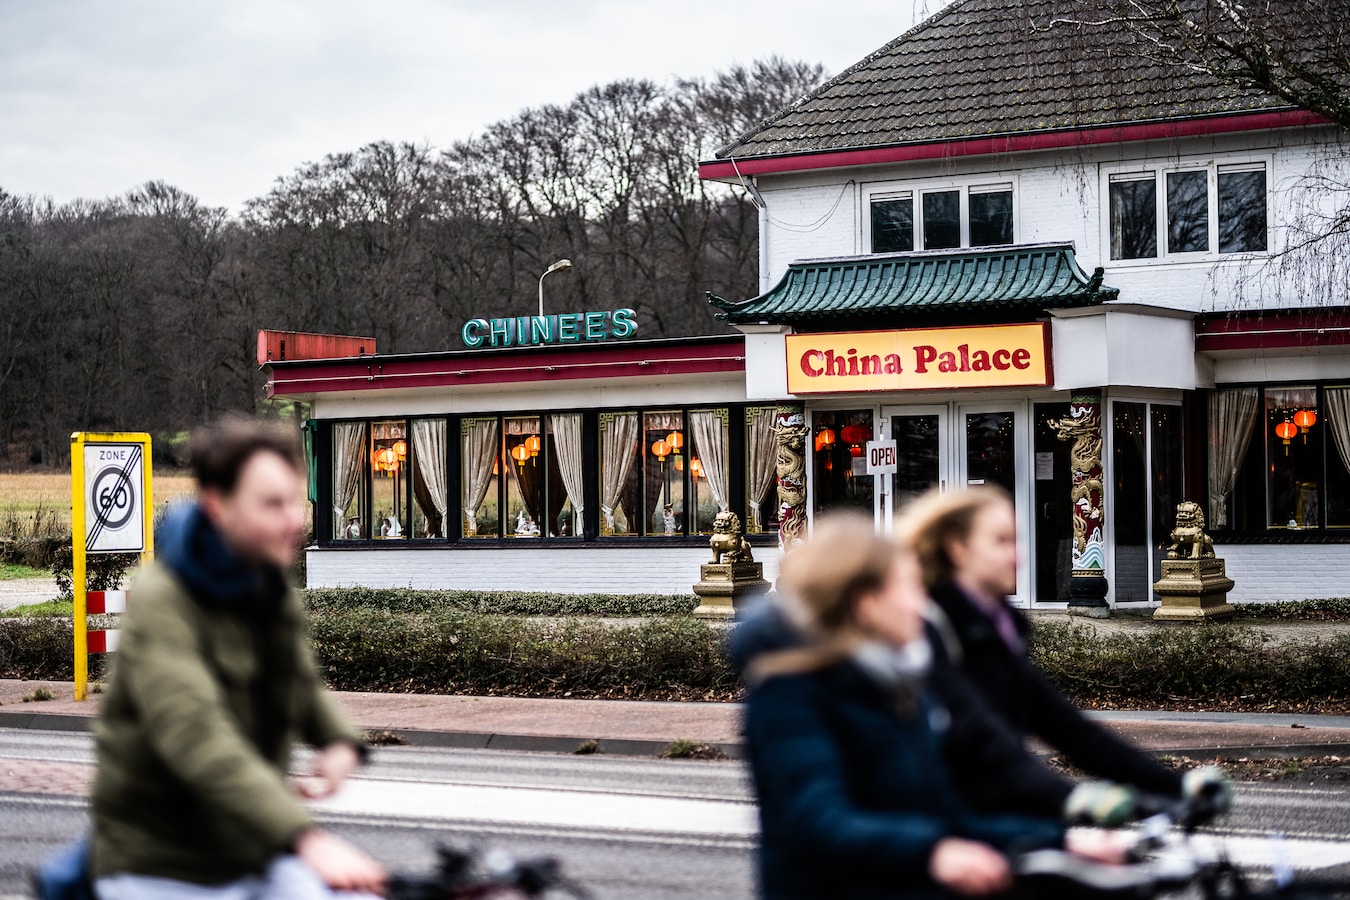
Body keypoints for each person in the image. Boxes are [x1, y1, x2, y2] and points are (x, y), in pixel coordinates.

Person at [742, 513, 1126, 900]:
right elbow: (818, 821)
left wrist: (1060, 843)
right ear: (866, 600)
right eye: (908, 588)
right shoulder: (788, 693)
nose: (923, 606)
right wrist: (934, 853)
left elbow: (943, 818)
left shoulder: (900, 684)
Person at [91, 416, 386, 898]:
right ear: (218, 508)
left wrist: (337, 741)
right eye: (272, 504)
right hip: (164, 867)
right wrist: (306, 838)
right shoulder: (162, 600)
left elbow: (300, 683)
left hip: (252, 850)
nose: (294, 520)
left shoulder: (267, 586)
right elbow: (196, 734)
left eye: (295, 500)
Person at [897, 486, 1225, 816]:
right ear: (957, 547)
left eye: (1016, 541)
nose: (1017, 556)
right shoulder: (925, 630)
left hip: (995, 816)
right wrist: (1070, 799)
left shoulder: (999, 631)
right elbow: (983, 740)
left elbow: (1069, 730)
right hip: (938, 828)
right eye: (1000, 542)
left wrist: (1175, 784)